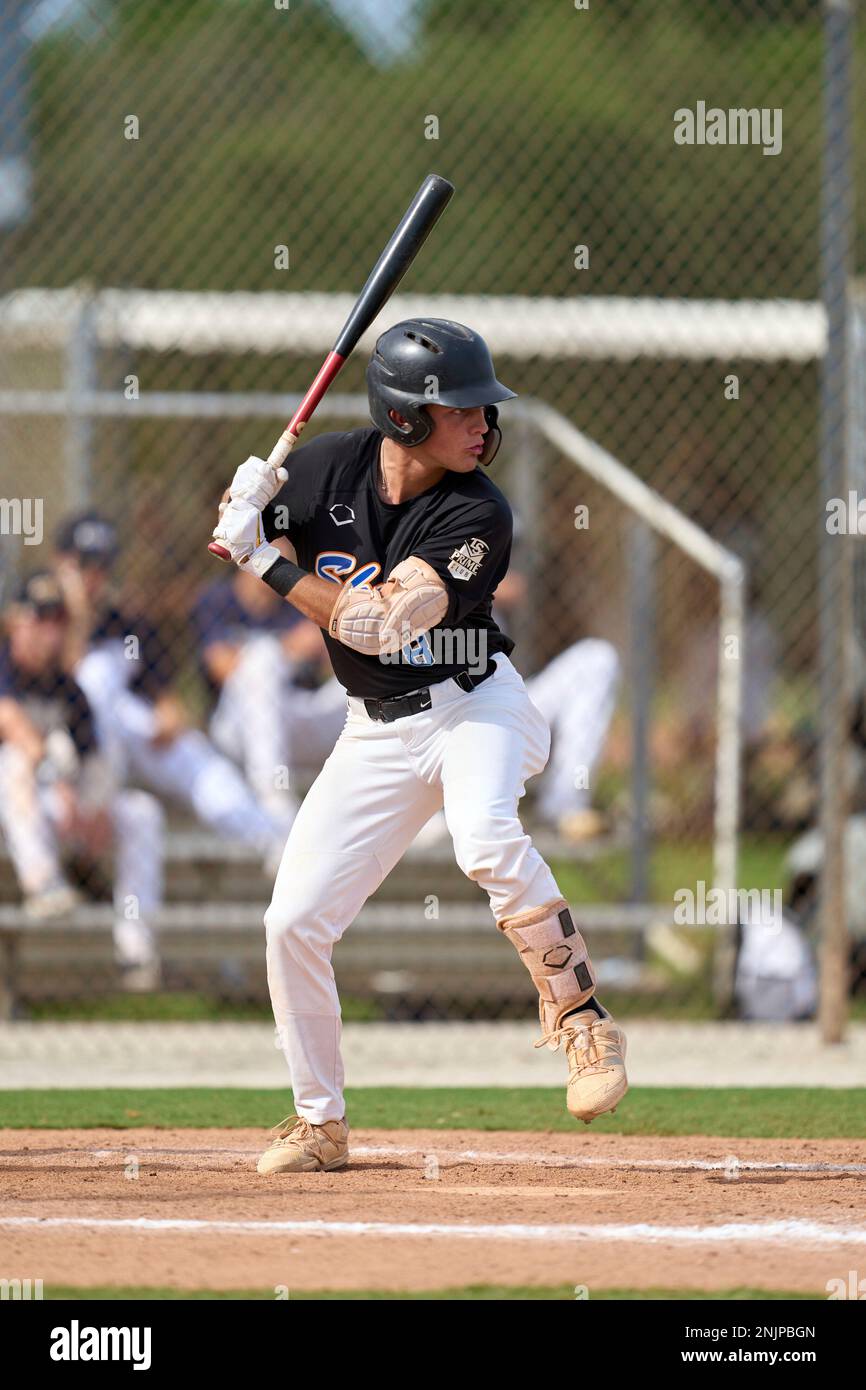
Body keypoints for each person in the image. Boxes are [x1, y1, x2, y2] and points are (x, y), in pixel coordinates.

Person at [212, 317, 629, 1176]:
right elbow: (249, 554)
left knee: (483, 839)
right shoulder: (325, 466)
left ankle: (582, 1019)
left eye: (483, 407)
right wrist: (244, 511)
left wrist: (267, 561)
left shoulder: (479, 510)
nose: (483, 421)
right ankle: (319, 1120)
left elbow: (380, 626)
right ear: (405, 417)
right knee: (291, 922)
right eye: (463, 408)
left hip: (476, 705)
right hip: (374, 729)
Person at [52, 512, 291, 871]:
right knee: (97, 674)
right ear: (61, 564)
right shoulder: (40, 617)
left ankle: (275, 845)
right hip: (77, 747)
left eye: (101, 565)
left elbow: (158, 689)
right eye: (83, 564)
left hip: (134, 732)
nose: (93, 576)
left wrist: (168, 710)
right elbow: (64, 680)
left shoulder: (126, 623)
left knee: (196, 757)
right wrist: (77, 613)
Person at [0, 572, 164, 988]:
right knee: (11, 760)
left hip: (49, 812)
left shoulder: (68, 689)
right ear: (15, 621)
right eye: (39, 619)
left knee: (141, 813)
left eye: (57, 621)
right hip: (15, 804)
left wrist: (96, 804)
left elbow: (94, 762)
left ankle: (135, 947)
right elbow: (17, 731)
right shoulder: (4, 666)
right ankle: (43, 881)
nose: (49, 632)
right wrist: (55, 775)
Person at [192, 567, 347, 823]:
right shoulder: (218, 599)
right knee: (262, 656)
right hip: (237, 727)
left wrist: (330, 644)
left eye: (282, 556)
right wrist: (289, 648)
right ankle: (273, 798)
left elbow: (335, 666)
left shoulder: (301, 600)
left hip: (294, 719)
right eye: (268, 550)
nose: (275, 561)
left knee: (358, 687)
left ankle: (393, 803)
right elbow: (221, 665)